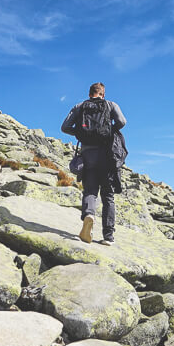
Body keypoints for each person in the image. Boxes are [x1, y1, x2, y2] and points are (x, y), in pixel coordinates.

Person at [61, 82, 126, 245]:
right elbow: (122, 122)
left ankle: (89, 214)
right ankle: (108, 237)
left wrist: (81, 133)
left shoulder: (80, 106)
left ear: (90, 93)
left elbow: (65, 127)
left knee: (90, 190)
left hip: (87, 154)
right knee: (108, 195)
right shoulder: (110, 105)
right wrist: (110, 129)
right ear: (102, 94)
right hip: (107, 154)